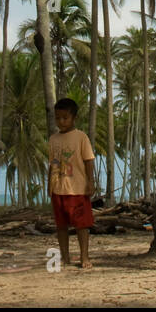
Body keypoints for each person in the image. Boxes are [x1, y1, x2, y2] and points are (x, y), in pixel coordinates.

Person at [49, 97, 97, 269]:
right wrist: (50, 185)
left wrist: (90, 182)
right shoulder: (53, 139)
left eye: (65, 118)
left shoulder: (81, 137)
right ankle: (64, 257)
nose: (61, 122)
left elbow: (89, 161)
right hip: (58, 189)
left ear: (73, 118)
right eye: (57, 118)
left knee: (81, 226)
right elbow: (53, 163)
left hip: (77, 189)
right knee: (61, 226)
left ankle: (85, 256)